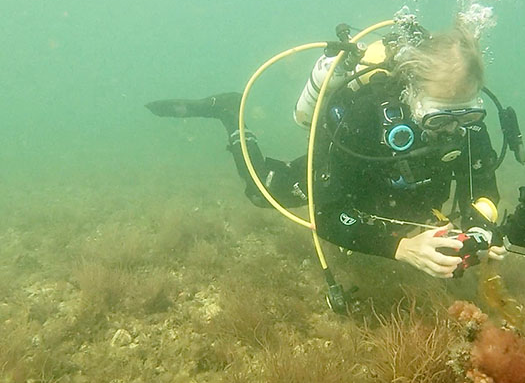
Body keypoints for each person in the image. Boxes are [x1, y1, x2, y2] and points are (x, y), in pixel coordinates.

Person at [146, 20, 506, 279]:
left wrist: (481, 231)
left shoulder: (466, 125)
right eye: (438, 117)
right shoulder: (364, 115)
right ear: (410, 95)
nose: (453, 130)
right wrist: (401, 249)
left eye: (467, 114)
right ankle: (229, 112)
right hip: (352, 175)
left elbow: (482, 189)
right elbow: (329, 215)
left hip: (400, 202)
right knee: (261, 191)